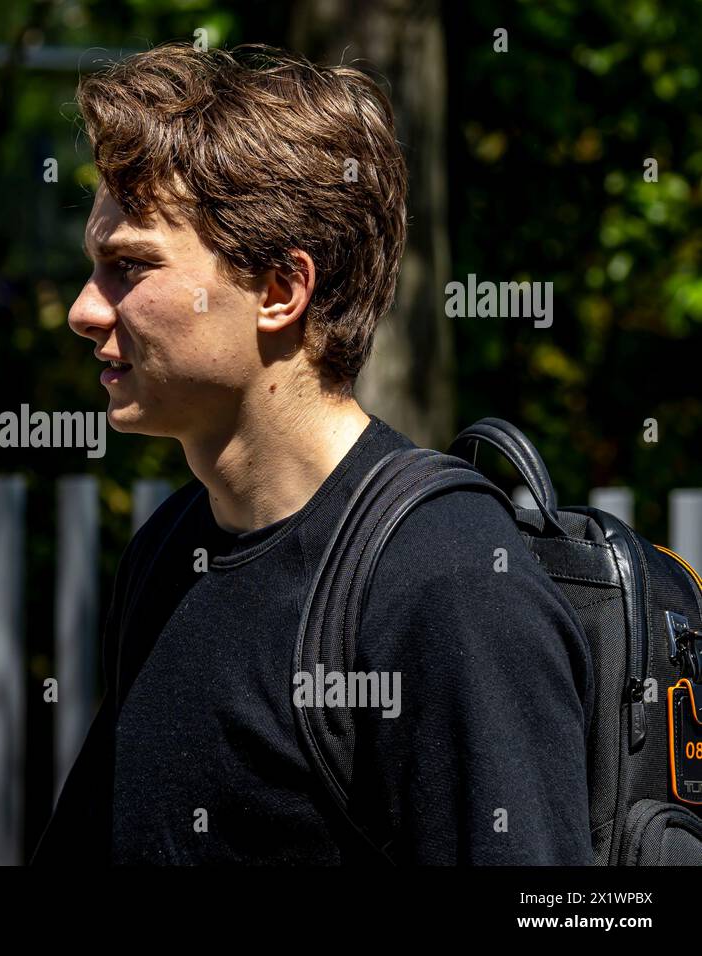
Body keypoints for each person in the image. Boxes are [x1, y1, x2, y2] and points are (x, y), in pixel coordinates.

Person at [29, 42, 593, 865]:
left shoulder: (448, 583)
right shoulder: (168, 550)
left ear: (281, 292)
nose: (85, 310)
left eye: (130, 268)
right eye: (94, 266)